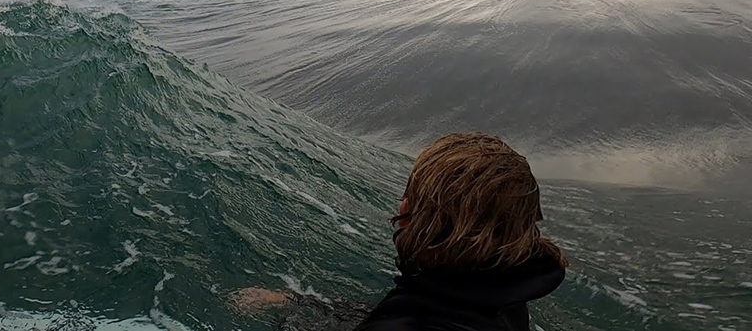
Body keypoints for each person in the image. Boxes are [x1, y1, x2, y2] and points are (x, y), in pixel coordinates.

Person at [232, 132, 567, 331]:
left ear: (411, 215)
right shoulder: (502, 298)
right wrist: (298, 303)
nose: (402, 203)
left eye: (411, 198)